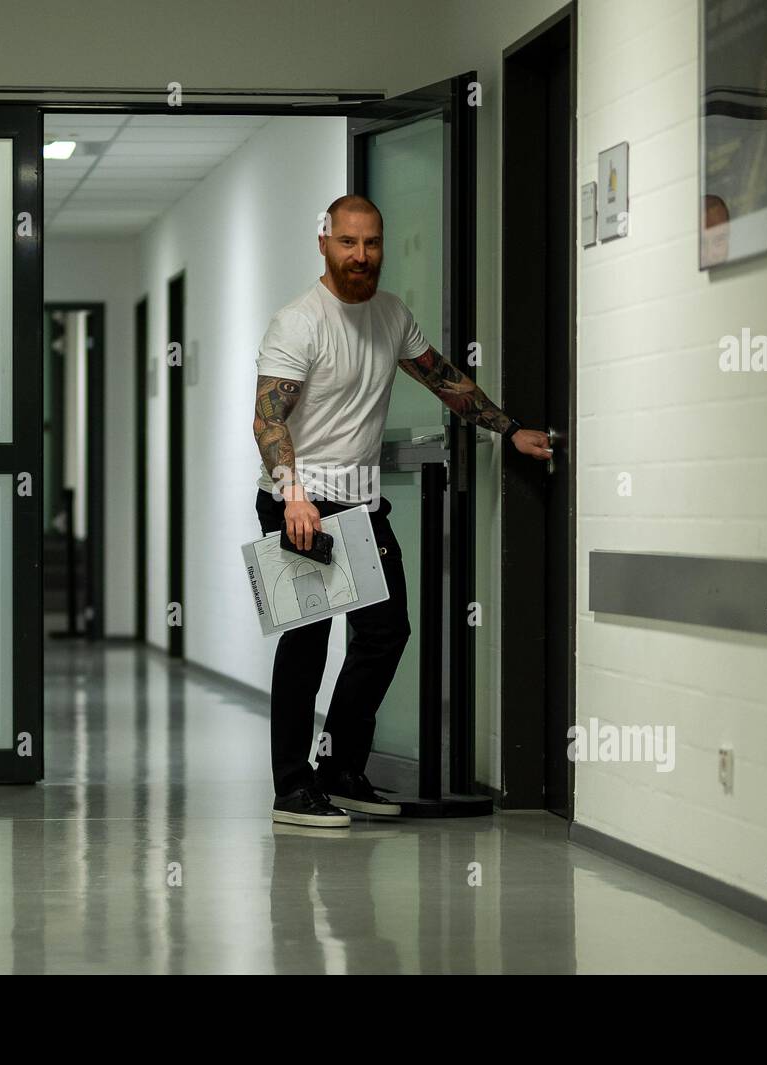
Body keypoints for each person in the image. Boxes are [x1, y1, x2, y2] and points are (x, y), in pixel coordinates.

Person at [252, 193, 552, 828]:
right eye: (348, 243)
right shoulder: (299, 322)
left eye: (372, 243)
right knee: (307, 644)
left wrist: (509, 428)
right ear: (324, 242)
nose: (361, 256)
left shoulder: (391, 315)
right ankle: (291, 789)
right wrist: (292, 492)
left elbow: (443, 378)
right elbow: (268, 417)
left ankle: (341, 768)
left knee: (385, 634)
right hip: (301, 501)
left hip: (360, 502)